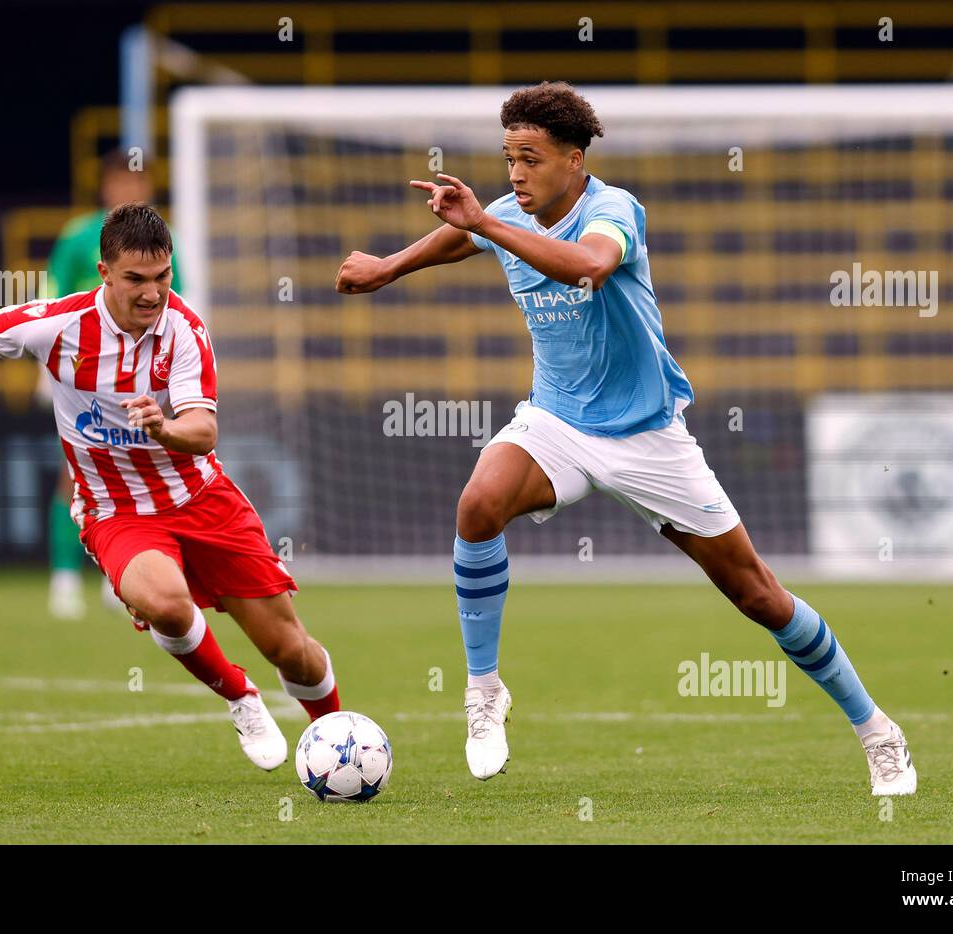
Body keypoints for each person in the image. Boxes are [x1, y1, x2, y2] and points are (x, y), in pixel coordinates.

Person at [335, 81, 915, 796]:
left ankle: (877, 732)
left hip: (648, 438)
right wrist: (389, 266)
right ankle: (484, 692)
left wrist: (486, 225)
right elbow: (467, 231)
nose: (516, 173)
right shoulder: (508, 213)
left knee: (758, 595)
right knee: (477, 505)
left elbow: (588, 266)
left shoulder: (612, 210)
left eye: (531, 158)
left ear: (574, 161)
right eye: (508, 157)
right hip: (557, 424)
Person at [0, 203, 338, 770]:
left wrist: (164, 426)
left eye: (162, 277)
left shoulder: (185, 329)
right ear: (104, 272)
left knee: (291, 652)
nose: (152, 294)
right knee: (165, 605)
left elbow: (203, 433)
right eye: (136, 279)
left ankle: (336, 738)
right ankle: (241, 697)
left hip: (202, 500)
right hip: (115, 509)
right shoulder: (59, 324)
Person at [44, 151, 184, 619]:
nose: (127, 191)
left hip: (141, 374)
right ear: (105, 187)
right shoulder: (78, 237)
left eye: (135, 184)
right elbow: (50, 298)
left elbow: (178, 306)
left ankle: (122, 574)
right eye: (119, 183)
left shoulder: (166, 243)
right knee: (76, 474)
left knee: (140, 469)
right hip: (79, 371)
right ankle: (64, 577)